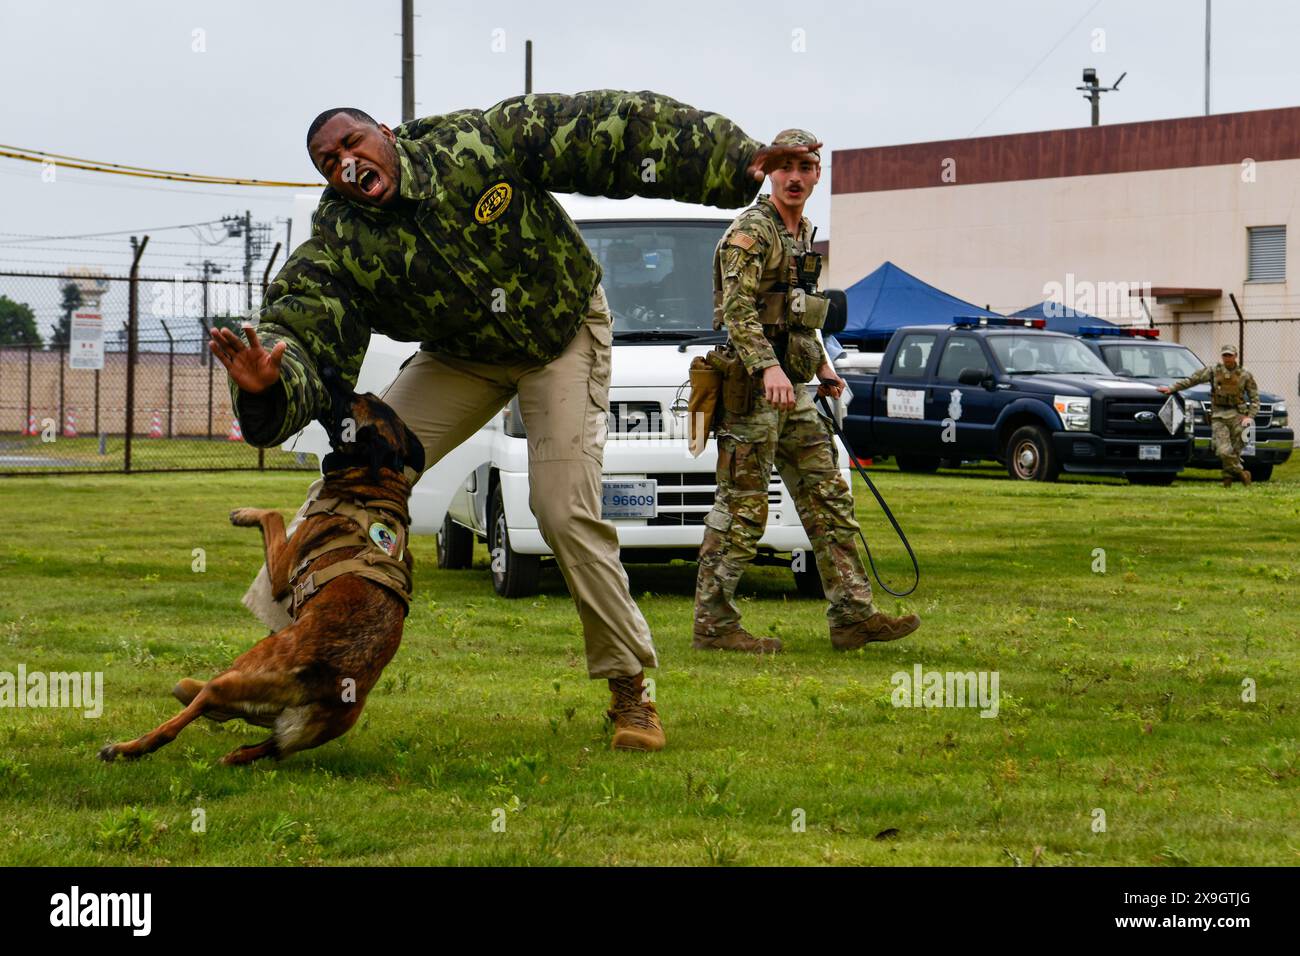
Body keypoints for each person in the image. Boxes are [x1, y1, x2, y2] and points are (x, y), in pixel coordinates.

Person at [208, 91, 817, 752]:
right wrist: (272, 385)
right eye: (329, 162)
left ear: (385, 133)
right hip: (462, 359)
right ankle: (283, 664)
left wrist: (730, 158)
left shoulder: (475, 143)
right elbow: (300, 325)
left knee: (560, 510)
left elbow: (612, 129)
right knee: (345, 489)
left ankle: (629, 691)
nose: (346, 164)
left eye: (354, 145)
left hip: (560, 338)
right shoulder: (340, 239)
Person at [692, 129, 921, 655]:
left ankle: (853, 616)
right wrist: (769, 368)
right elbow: (738, 312)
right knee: (743, 511)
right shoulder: (752, 230)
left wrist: (822, 367)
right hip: (752, 392)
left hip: (795, 393)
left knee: (830, 501)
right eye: (785, 167)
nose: (795, 177)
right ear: (768, 172)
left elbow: (799, 313)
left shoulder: (802, 234)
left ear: (818, 174)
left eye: (805, 167)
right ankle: (714, 625)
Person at [1158, 344, 1260, 487]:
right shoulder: (1213, 371)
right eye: (1225, 355)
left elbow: (1254, 397)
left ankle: (1227, 480)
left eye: (1230, 355)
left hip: (1238, 415)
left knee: (1235, 451)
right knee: (1223, 451)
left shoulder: (1245, 375)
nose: (1227, 358)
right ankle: (1242, 473)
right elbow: (1193, 380)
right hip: (1219, 415)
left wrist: (1250, 416)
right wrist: (1172, 388)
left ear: (1235, 356)